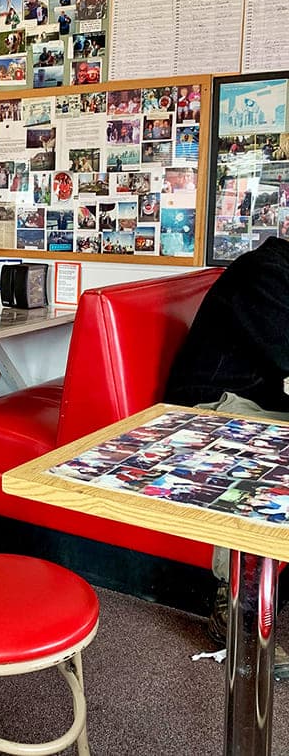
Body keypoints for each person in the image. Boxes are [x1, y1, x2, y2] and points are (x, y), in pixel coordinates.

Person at [165, 237, 289, 643]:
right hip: (205, 406)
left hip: (255, 396)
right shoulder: (267, 274)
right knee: (258, 445)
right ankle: (235, 597)